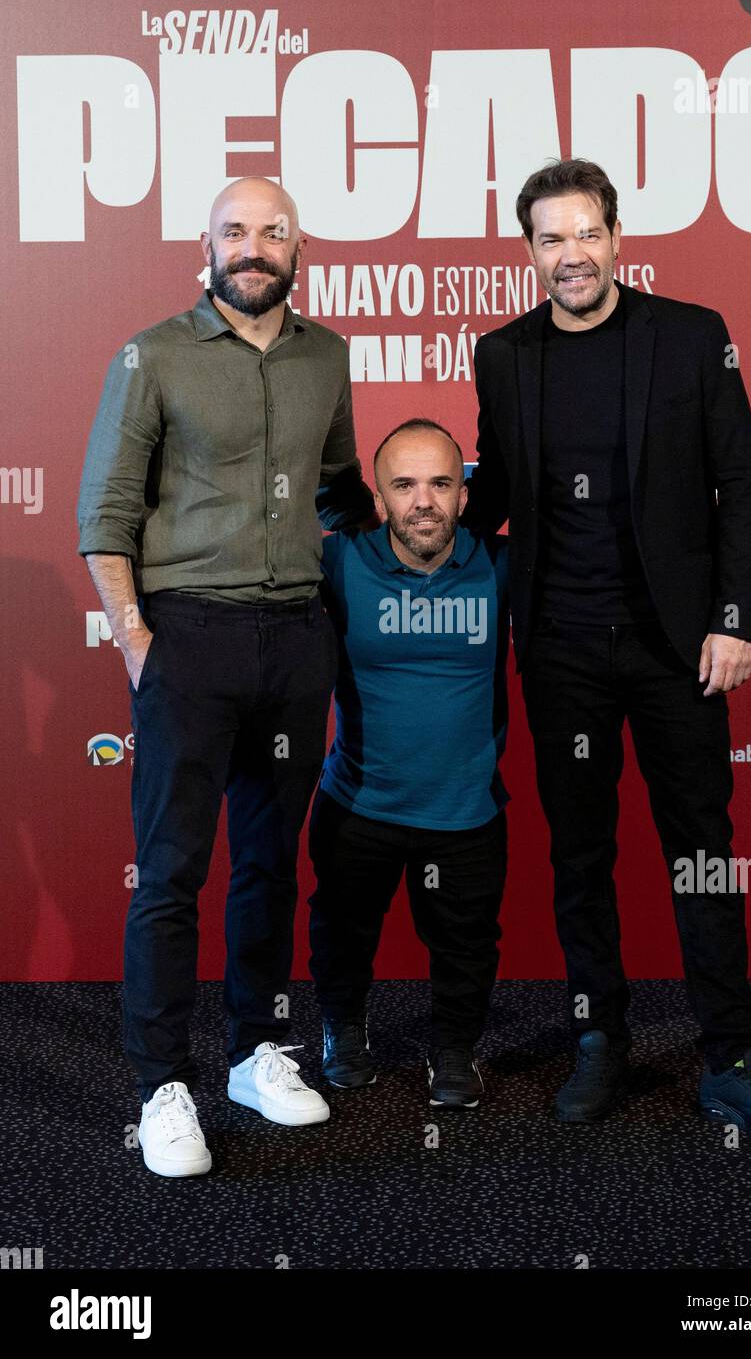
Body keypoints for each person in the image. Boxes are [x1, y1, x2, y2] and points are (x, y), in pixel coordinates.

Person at [460, 157, 751, 1142]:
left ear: (616, 238)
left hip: (676, 649)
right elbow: (491, 499)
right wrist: (403, 515)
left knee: (700, 854)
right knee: (580, 857)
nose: (569, 254)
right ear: (528, 251)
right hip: (561, 647)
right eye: (549, 238)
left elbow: (738, 485)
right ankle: (596, 1040)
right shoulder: (502, 355)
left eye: (584, 233)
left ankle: (731, 1058)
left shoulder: (693, 337)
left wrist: (734, 618)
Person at [76, 176, 377, 1176]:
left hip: (294, 641)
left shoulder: (327, 356)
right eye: (234, 231)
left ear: (299, 249)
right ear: (204, 249)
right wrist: (138, 641)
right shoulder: (152, 355)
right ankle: (161, 1083)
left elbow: (340, 492)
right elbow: (105, 517)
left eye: (272, 231)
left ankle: (254, 1054)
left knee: (267, 864)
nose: (254, 247)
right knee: (169, 873)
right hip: (187, 640)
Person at [308, 420, 510, 1108]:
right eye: (404, 485)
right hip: (358, 803)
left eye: (440, 483)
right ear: (381, 496)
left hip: (466, 810)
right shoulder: (339, 562)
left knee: (467, 946)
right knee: (340, 935)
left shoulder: (500, 563)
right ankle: (342, 1029)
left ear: (463, 493)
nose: (423, 500)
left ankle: (454, 1049)